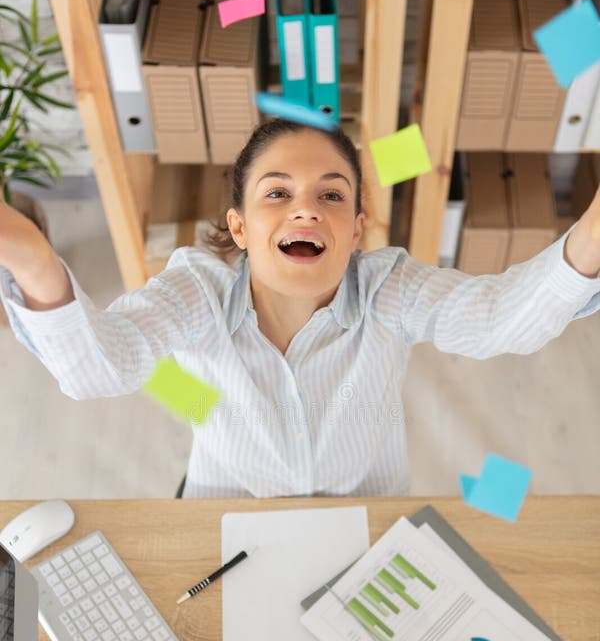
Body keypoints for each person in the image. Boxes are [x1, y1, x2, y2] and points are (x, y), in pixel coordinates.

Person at [1, 118, 599, 498]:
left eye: (331, 194)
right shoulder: (197, 290)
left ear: (358, 228)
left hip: (366, 509)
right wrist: (29, 257)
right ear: (239, 227)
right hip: (226, 510)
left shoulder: (389, 288)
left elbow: (500, 319)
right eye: (277, 193)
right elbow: (98, 369)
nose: (305, 210)